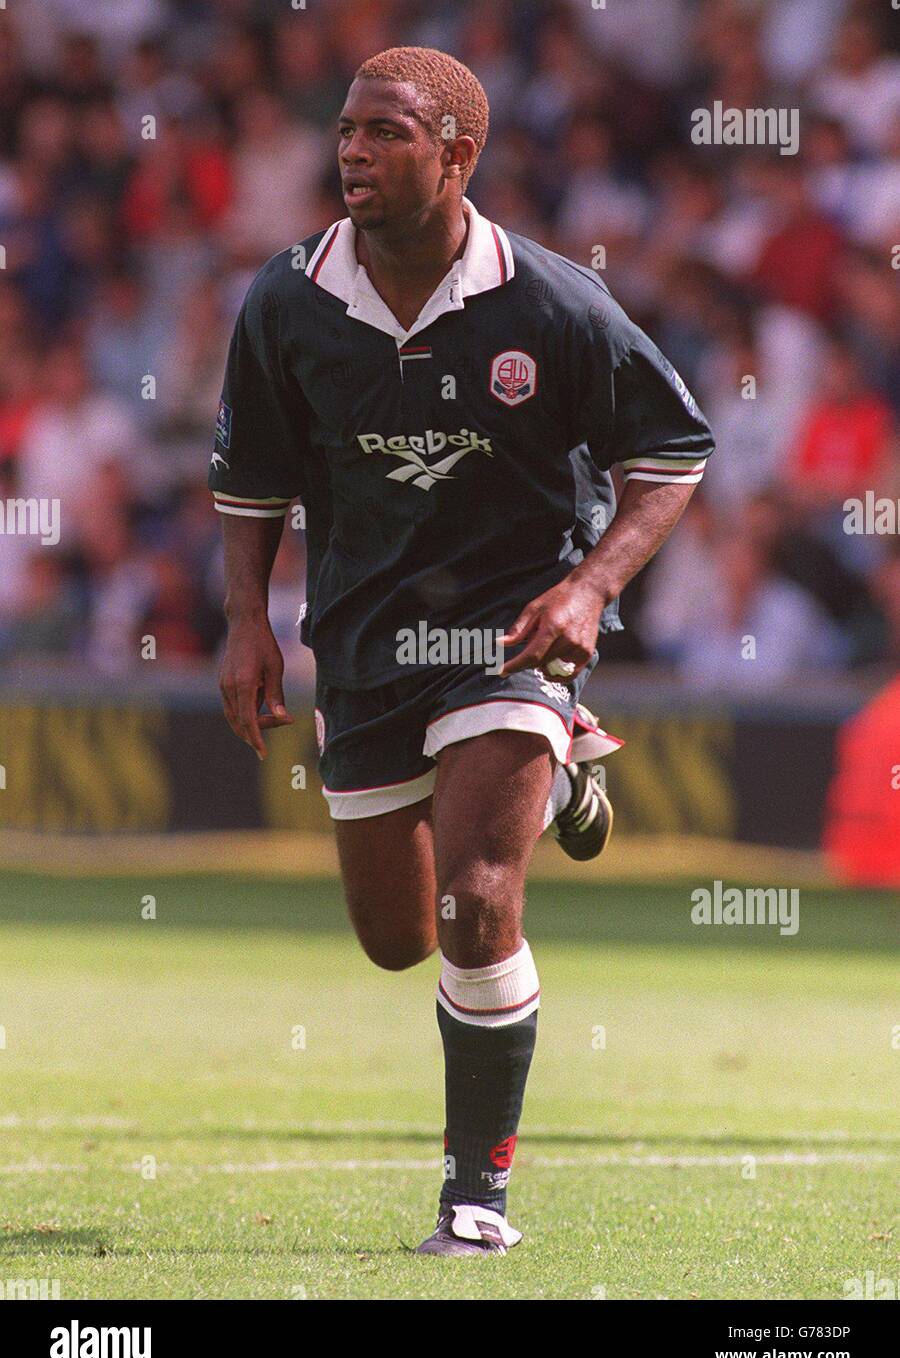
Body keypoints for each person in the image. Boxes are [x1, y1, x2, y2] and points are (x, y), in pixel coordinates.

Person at [210, 47, 713, 1257]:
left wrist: (591, 588)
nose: (354, 153)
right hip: (366, 639)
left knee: (479, 903)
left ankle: (474, 1202)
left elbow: (675, 450)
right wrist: (243, 621)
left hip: (511, 629)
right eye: (346, 130)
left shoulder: (551, 302)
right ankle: (570, 770)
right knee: (402, 937)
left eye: (386, 133)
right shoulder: (287, 300)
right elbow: (253, 479)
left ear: (457, 153)